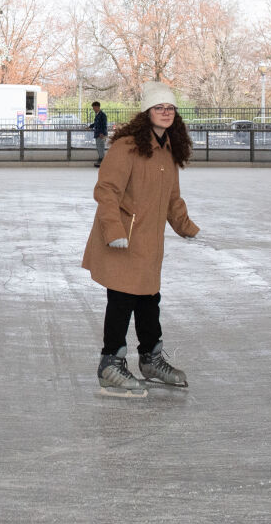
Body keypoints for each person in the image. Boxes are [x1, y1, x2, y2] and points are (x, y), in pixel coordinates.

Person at [82, 81, 200, 397]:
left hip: (149, 241)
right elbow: (107, 190)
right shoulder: (128, 146)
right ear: (147, 112)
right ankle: (110, 364)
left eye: (170, 108)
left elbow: (172, 198)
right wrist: (114, 231)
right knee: (122, 300)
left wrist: (188, 228)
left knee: (149, 300)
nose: (166, 112)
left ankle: (150, 359)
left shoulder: (168, 149)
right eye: (159, 107)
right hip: (123, 239)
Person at [90, 101, 108, 167]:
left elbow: (104, 125)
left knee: (101, 148)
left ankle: (102, 161)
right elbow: (96, 123)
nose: (93, 109)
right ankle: (101, 159)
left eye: (94, 108)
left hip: (101, 134)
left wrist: (102, 133)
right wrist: (90, 126)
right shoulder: (98, 115)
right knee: (98, 147)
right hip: (98, 134)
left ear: (97, 107)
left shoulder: (102, 115)